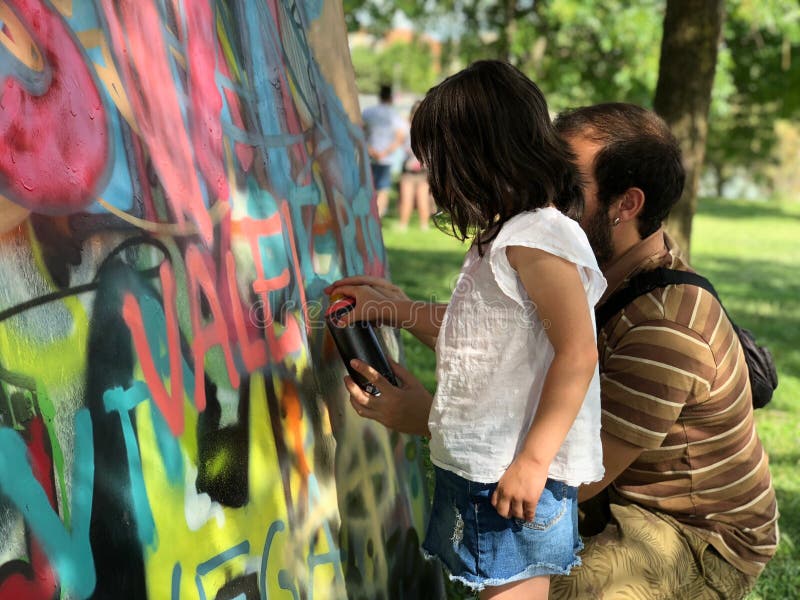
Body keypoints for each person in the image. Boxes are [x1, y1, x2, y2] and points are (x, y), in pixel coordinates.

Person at [326, 103, 779, 599]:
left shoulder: (667, 327)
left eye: (565, 183)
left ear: (624, 205)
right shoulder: (589, 266)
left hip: (695, 536)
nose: (540, 193)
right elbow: (505, 342)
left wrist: (429, 418)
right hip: (613, 502)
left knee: (532, 579)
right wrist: (402, 311)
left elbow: (580, 474)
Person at [330, 60, 607, 599]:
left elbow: (578, 353)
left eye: (440, 161)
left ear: (483, 156)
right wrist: (398, 311)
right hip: (489, 464)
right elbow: (483, 340)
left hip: (518, 471)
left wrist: (532, 462)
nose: (433, 178)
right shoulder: (505, 236)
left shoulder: (537, 237)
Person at [361, 84, 406, 217]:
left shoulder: (368, 112)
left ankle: (368, 213)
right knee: (383, 189)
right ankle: (378, 215)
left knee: (369, 187)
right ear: (390, 97)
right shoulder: (394, 114)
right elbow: (400, 136)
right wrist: (385, 152)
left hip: (369, 155)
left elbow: (359, 130)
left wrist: (370, 149)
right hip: (386, 158)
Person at [397, 101, 433, 230]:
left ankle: (406, 224)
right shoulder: (428, 130)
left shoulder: (407, 129)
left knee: (415, 198)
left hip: (414, 170)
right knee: (414, 198)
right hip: (416, 170)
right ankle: (418, 225)